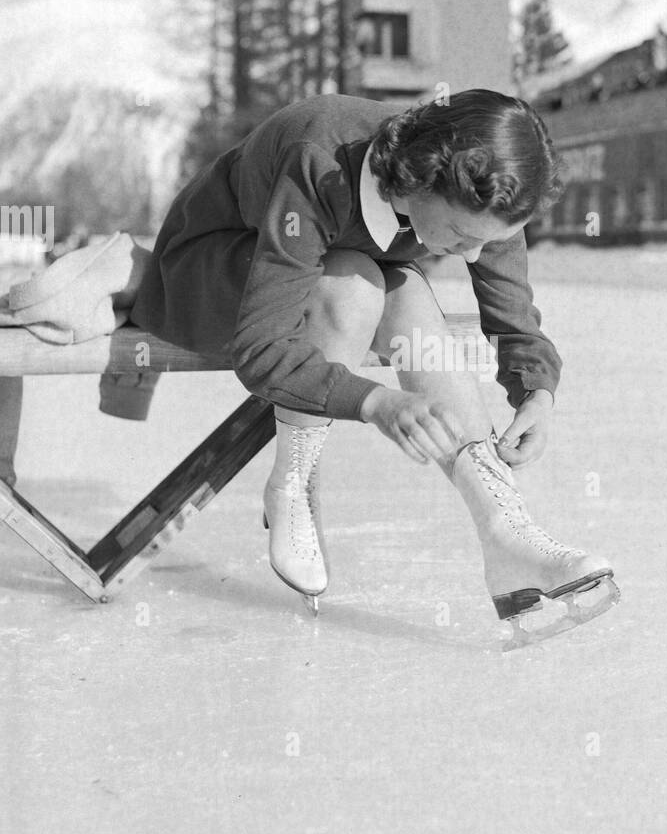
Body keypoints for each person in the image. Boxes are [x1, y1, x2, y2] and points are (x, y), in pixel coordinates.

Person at [129, 91, 618, 634]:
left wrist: (537, 392)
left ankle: (504, 529)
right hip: (213, 269)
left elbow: (513, 314)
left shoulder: (487, 191)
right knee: (355, 284)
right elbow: (262, 346)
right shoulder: (319, 160)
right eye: (461, 236)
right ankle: (293, 481)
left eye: (488, 240)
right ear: (419, 179)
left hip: (338, 265)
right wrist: (374, 401)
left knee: (403, 288)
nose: (473, 254)